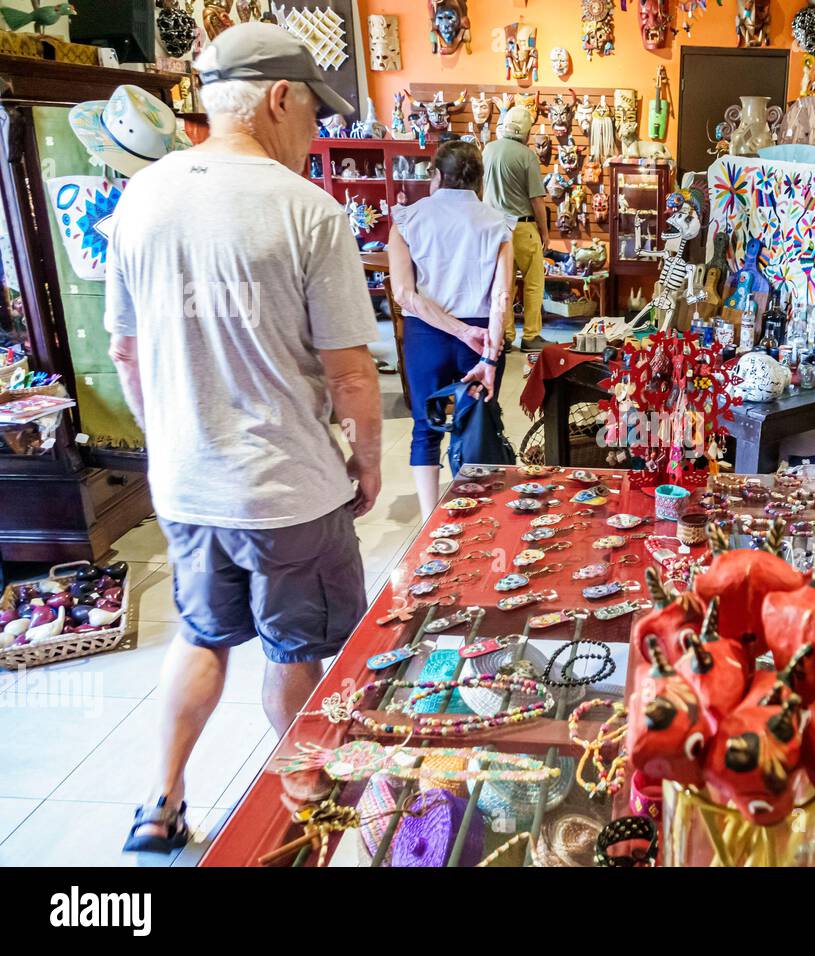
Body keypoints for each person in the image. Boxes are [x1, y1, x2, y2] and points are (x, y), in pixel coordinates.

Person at [106, 22, 382, 854]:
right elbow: (352, 376)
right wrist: (366, 469)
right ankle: (305, 804)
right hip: (287, 488)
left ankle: (162, 799)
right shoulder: (307, 211)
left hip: (188, 485)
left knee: (199, 636)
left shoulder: (142, 199)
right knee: (297, 647)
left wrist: (174, 443)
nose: (316, 133)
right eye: (314, 114)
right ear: (279, 97)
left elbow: (124, 350)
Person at [387, 140, 512, 517]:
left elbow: (405, 295)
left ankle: (428, 519)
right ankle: (477, 513)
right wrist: (488, 355)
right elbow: (502, 296)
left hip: (427, 332)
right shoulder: (499, 221)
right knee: (476, 422)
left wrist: (456, 330)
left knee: (425, 426)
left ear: (437, 175)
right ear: (480, 180)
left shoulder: (408, 219)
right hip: (482, 333)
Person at [482, 105, 549, 351]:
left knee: (503, 285)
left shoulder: (488, 150)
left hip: (495, 228)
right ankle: (531, 336)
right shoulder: (526, 155)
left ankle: (505, 335)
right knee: (533, 283)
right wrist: (544, 232)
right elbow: (536, 199)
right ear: (527, 131)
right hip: (523, 228)